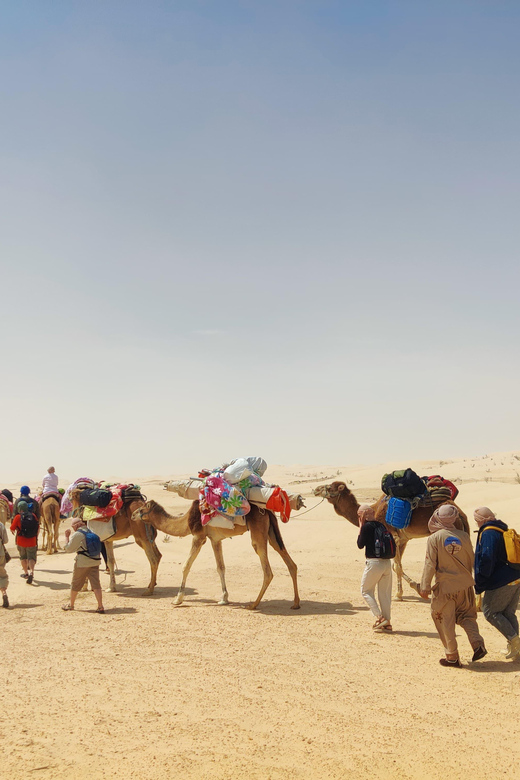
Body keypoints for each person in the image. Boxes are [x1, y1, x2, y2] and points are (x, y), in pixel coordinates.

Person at [419, 504, 486, 667]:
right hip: (465, 585)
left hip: (445, 588)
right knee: (467, 616)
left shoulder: (434, 538)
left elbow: (430, 563)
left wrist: (425, 585)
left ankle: (452, 656)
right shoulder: (464, 536)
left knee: (444, 620)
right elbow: (471, 559)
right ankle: (477, 644)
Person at [474, 506, 520, 660]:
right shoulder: (501, 529)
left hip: (502, 580)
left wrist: (480, 581)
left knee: (490, 612)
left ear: (481, 520)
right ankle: (516, 650)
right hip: (516, 576)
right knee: (508, 613)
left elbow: (487, 558)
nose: (476, 524)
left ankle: (515, 642)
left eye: (476, 521)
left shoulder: (488, 533)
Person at [357, 504, 393, 632]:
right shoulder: (381, 525)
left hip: (374, 563)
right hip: (387, 564)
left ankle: (380, 617)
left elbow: (360, 544)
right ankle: (387, 622)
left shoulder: (366, 527)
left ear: (363, 515)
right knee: (385, 594)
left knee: (365, 591)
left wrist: (361, 526)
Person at [62, 517, 104, 613]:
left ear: (76, 525)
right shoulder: (92, 531)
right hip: (95, 561)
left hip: (83, 562)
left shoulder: (78, 534)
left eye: (73, 526)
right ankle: (100, 606)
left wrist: (67, 537)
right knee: (96, 584)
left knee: (75, 583)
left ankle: (71, 605)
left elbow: (68, 549)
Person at [10, 500, 40, 585]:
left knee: (23, 557)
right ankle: (32, 572)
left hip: (21, 541)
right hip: (32, 541)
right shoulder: (33, 515)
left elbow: (12, 528)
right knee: (31, 557)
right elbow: (38, 528)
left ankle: (26, 573)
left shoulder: (17, 517)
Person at [0, 518, 9, 607]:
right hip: (0, 553)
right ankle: (4, 593)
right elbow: (5, 540)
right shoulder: (1, 525)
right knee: (2, 575)